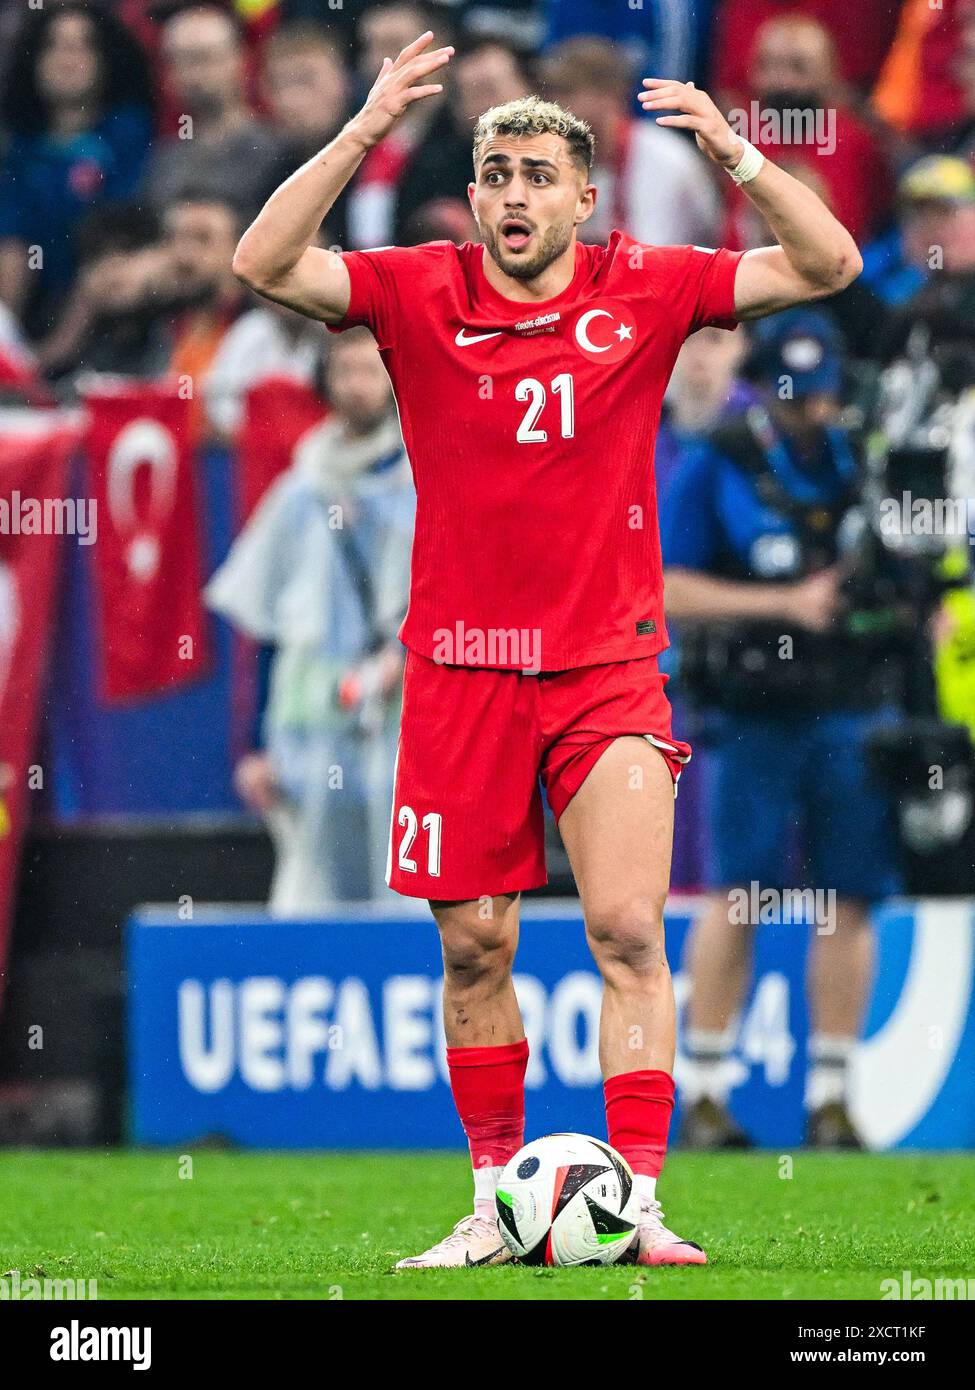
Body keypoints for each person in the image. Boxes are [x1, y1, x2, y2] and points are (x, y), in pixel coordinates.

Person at [231, 30, 862, 1270]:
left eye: (536, 176)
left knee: (628, 927)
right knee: (476, 944)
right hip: (458, 669)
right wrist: (361, 130)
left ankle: (632, 1203)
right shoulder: (419, 288)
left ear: (585, 195)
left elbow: (830, 260)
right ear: (475, 198)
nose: (513, 195)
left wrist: (734, 148)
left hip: (605, 666)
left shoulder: (653, 282)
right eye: (494, 175)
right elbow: (262, 261)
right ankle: (489, 1203)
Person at [661, 310, 900, 1150]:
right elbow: (663, 588)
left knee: (848, 897)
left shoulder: (866, 458)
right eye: (796, 399)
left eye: (823, 396)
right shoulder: (715, 460)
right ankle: (703, 1093)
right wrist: (782, 605)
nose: (813, 414)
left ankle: (832, 1096)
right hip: (751, 710)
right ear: (763, 388)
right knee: (738, 893)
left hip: (850, 703)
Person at [206, 328, 414, 910]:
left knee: (411, 882)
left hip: (407, 720)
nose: (357, 385)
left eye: (370, 370)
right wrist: (253, 745)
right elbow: (264, 626)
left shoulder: (428, 483)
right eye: (345, 371)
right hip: (315, 724)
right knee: (311, 886)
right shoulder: (299, 492)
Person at [0, 2, 154, 344]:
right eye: (53, 45)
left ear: (105, 58)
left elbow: (113, 242)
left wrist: (57, 351)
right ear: (33, 60)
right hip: (38, 308)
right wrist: (8, 344)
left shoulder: (128, 133)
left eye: (83, 45)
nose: (68, 58)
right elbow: (13, 246)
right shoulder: (22, 148)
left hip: (112, 320)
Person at [539, 37, 721, 248]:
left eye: (566, 93)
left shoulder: (667, 160)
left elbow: (657, 258)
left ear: (609, 95)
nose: (554, 107)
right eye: (549, 95)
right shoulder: (553, 161)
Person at [146, 4, 280, 218]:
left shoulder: (277, 152)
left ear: (238, 59)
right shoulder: (165, 159)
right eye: (179, 60)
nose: (192, 73)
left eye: (203, 57)